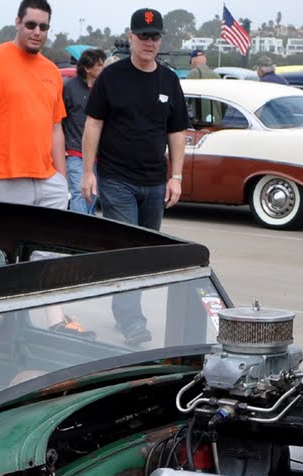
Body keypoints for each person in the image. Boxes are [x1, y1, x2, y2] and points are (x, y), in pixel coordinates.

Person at [81, 7, 188, 344]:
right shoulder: (111, 78)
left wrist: (177, 177)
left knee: (146, 253)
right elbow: (93, 124)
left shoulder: (169, 80)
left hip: (155, 181)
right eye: (142, 36)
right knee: (129, 250)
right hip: (116, 180)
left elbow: (177, 132)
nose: (148, 42)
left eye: (154, 36)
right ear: (130, 38)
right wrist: (88, 173)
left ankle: (126, 311)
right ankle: (132, 321)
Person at [0, 2, 66, 209]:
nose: (37, 32)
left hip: (49, 183)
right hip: (3, 181)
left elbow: (55, 128)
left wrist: (62, 178)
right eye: (31, 24)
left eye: (43, 27)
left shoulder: (52, 71)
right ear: (18, 23)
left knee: (47, 243)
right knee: (0, 242)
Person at [62, 48, 106, 213]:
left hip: (98, 154)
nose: (103, 69)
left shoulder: (102, 89)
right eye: (99, 66)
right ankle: (77, 233)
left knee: (93, 195)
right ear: (87, 68)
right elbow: (60, 119)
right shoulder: (69, 87)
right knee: (80, 193)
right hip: (75, 153)